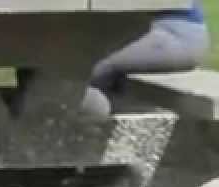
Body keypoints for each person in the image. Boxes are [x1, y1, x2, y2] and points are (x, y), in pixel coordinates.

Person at [82, 1, 210, 115]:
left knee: (95, 63)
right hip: (147, 30)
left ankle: (89, 109)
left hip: (175, 34)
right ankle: (88, 108)